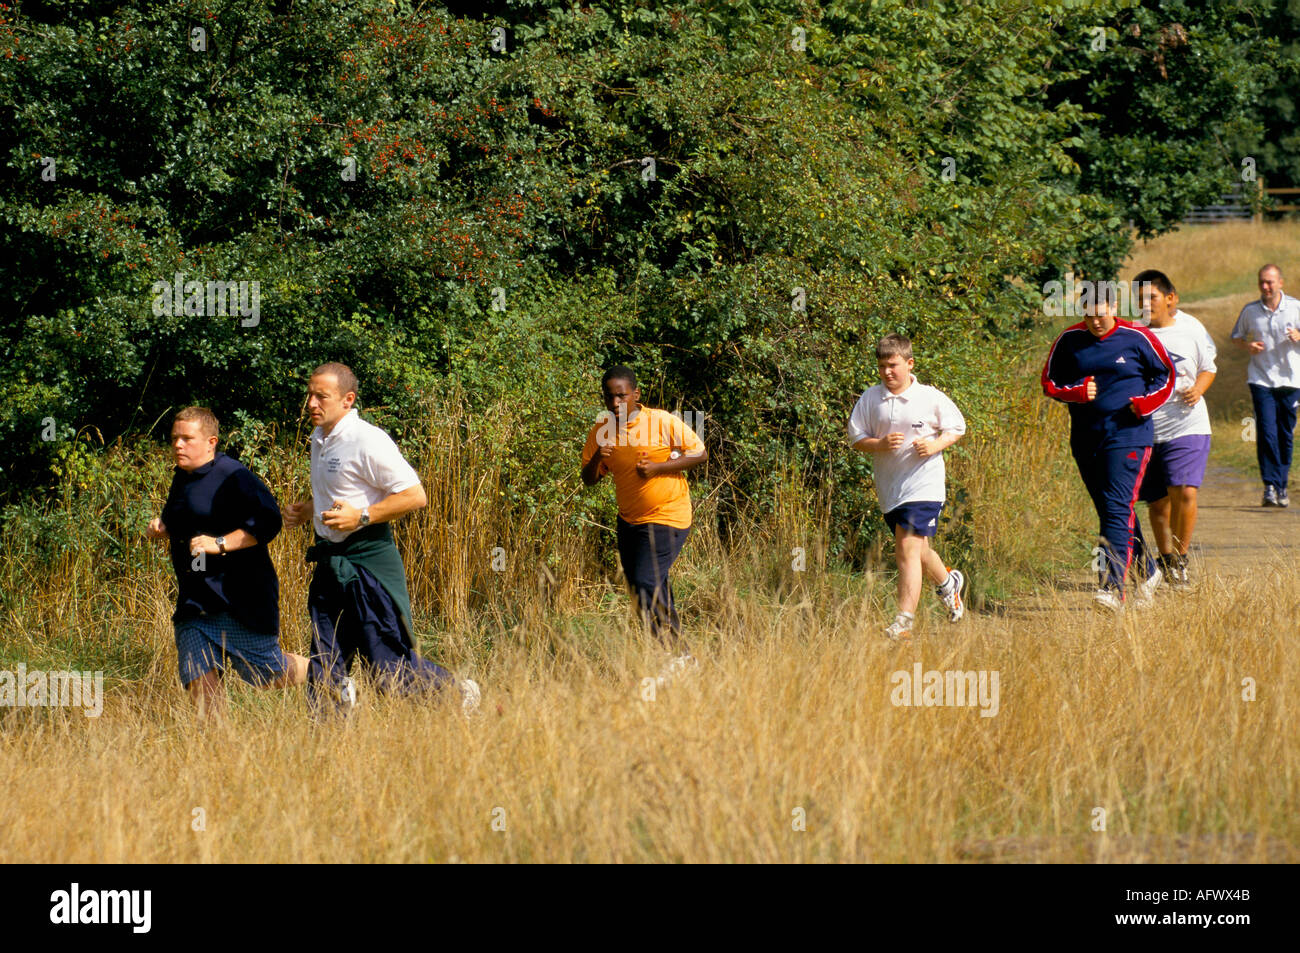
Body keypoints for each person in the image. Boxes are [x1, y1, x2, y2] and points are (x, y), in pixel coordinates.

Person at [280, 363, 479, 714]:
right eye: (309, 394)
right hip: (330, 565)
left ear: (348, 400)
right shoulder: (319, 438)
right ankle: (326, 745)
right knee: (325, 664)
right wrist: (310, 509)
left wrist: (362, 516)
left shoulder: (367, 439)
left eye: (321, 396)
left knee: (387, 671)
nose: (311, 402)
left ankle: (458, 695)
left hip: (368, 563)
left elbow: (414, 495)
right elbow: (349, 491)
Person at [146, 406, 307, 718]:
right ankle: (216, 750)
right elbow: (186, 518)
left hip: (239, 596)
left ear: (211, 442)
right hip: (195, 600)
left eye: (187, 438)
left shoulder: (234, 476)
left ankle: (329, 675)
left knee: (266, 674)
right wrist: (164, 527)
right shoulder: (183, 476)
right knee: (199, 678)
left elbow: (268, 522)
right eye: (174, 438)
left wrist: (219, 544)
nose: (178, 445)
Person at [1042, 292, 1175, 610]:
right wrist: (1075, 393)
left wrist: (1143, 404)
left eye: (1101, 314)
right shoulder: (1069, 340)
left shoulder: (1137, 337)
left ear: (1114, 308)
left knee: (1116, 507)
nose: (1096, 321)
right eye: (1089, 315)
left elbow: (1167, 376)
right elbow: (1049, 382)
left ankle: (1111, 588)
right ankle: (1147, 570)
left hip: (1129, 436)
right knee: (1112, 509)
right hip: (1087, 439)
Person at [580, 365, 707, 678]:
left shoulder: (661, 420)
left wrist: (660, 467)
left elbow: (700, 454)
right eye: (609, 397)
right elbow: (588, 479)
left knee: (644, 583)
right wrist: (599, 457)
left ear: (636, 395)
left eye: (622, 395)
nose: (615, 403)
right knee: (652, 585)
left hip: (669, 514)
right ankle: (683, 659)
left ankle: (672, 658)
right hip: (629, 521)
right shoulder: (602, 428)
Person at [847, 334, 968, 642]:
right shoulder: (871, 399)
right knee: (920, 551)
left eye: (893, 365)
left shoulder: (929, 397)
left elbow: (957, 426)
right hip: (891, 490)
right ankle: (949, 585)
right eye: (882, 366)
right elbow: (856, 438)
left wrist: (935, 444)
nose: (887, 372)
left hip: (924, 485)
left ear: (909, 363)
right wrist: (880, 443)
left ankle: (903, 622)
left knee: (906, 547)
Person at [1132, 270, 1216, 589]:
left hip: (1189, 422)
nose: (1144, 304)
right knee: (1158, 503)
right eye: (1139, 299)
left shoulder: (1191, 328)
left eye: (1151, 297)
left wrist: (1199, 388)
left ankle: (1180, 557)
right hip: (1148, 428)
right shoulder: (1135, 333)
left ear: (1171, 298)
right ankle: (1165, 558)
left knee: (1186, 490)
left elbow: (1208, 367)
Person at [1229, 264, 1300, 507]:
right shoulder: (1251, 311)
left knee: (1284, 434)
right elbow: (1236, 337)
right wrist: (1247, 347)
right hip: (1261, 379)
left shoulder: (1296, 307)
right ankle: (1270, 486)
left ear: (1281, 282)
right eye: (1262, 282)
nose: (1266, 287)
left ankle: (1282, 486)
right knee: (1267, 432)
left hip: (1291, 380)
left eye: (1270, 282)